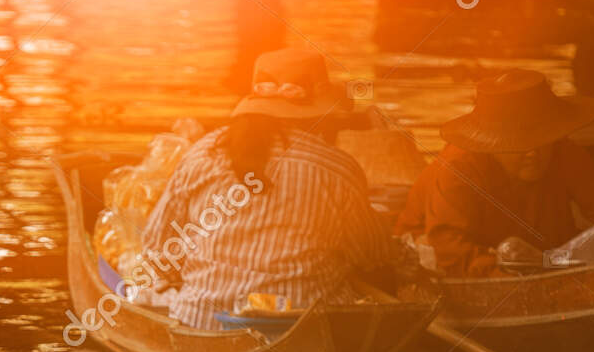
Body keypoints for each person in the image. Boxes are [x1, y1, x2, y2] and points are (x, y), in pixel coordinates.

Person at [137, 47, 400, 330]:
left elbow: (158, 246)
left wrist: (194, 281)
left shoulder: (202, 153)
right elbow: (374, 255)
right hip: (301, 327)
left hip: (201, 320)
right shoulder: (337, 169)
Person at [396, 69, 594, 277]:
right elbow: (449, 249)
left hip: (539, 255)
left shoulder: (564, 152)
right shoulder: (458, 168)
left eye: (541, 140)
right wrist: (508, 276)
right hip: (455, 262)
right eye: (519, 145)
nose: (533, 153)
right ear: (491, 144)